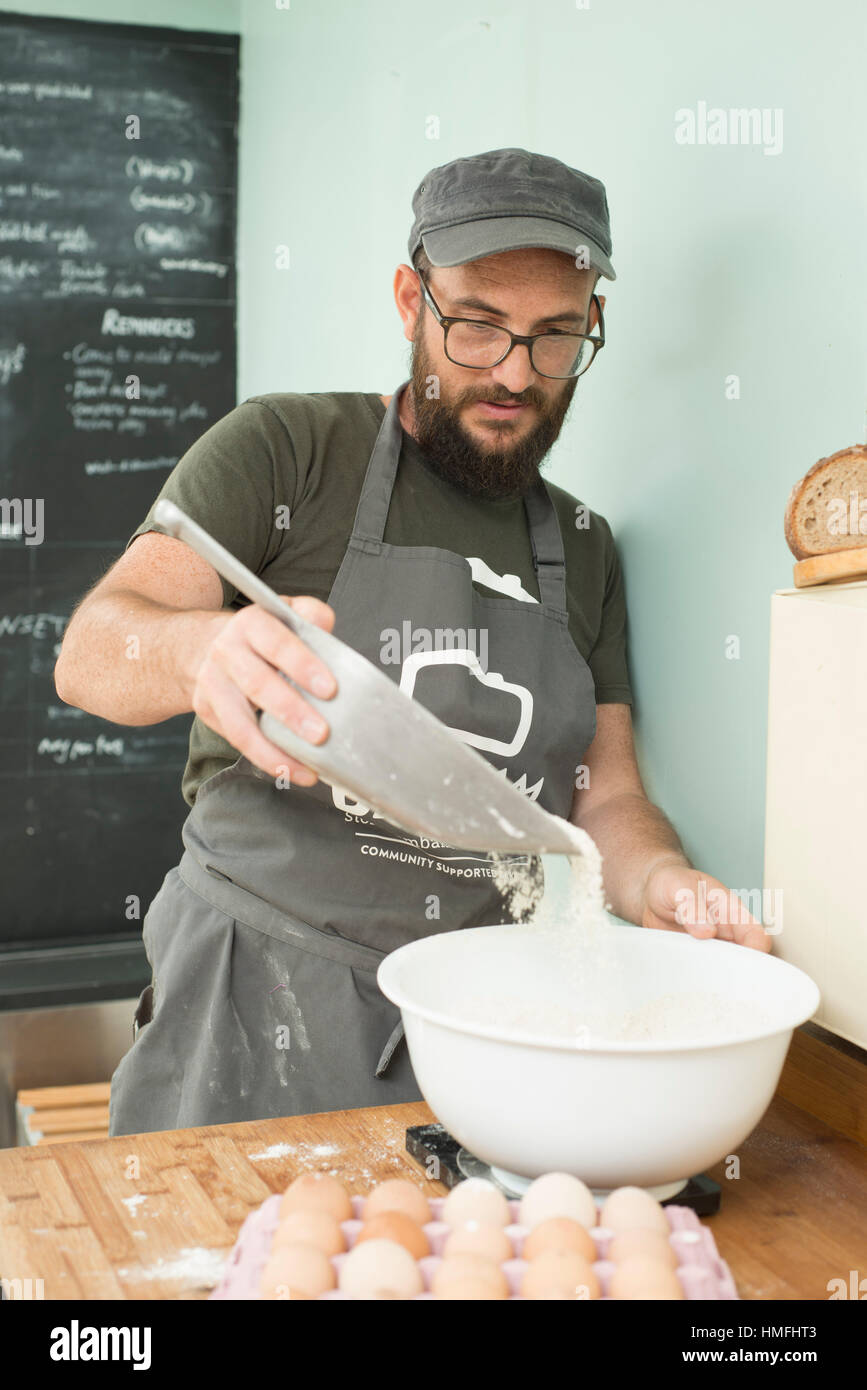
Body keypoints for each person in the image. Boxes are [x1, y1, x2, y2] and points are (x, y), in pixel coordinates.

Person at [55, 147, 768, 1138]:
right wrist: (196, 650)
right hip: (245, 1005)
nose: (515, 374)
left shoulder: (587, 549)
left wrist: (663, 886)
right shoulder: (286, 451)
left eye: (555, 336)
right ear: (411, 299)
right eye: (477, 326)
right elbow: (92, 649)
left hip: (470, 1033)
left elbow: (604, 797)